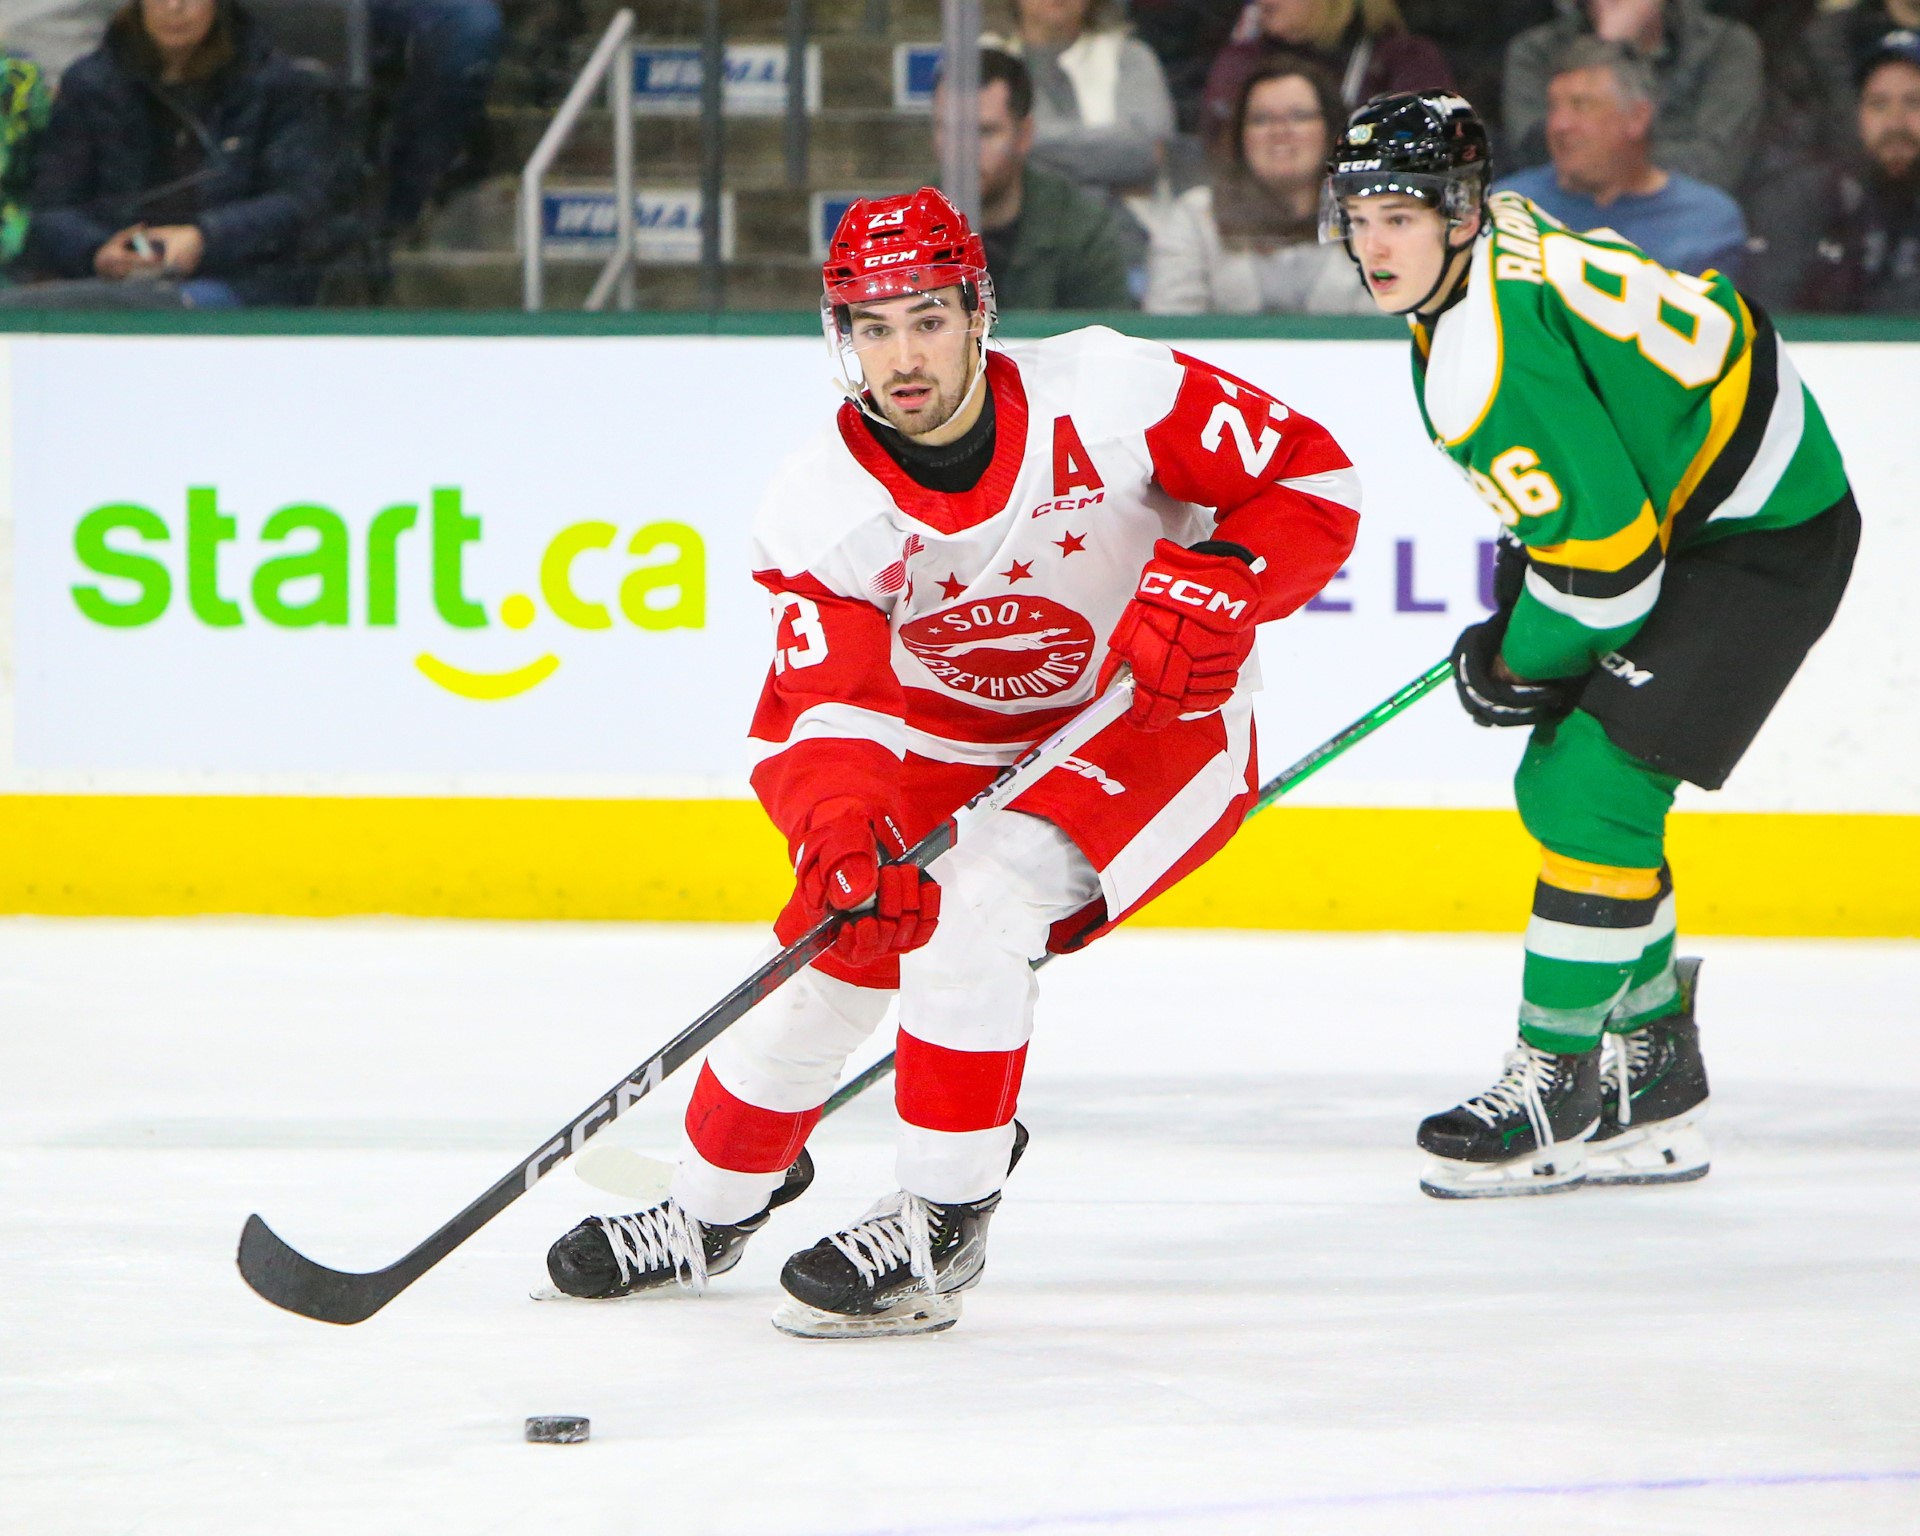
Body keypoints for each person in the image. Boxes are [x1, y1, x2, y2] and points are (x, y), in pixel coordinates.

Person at [542, 186, 1360, 1335]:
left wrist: (1229, 575)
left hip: (1149, 718)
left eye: (926, 317)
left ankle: (942, 1221)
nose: (902, 356)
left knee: (975, 911)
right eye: (872, 328)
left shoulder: (1113, 393)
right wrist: (841, 834)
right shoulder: (818, 506)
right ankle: (709, 1207)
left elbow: (1312, 477)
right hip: (944, 744)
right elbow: (826, 710)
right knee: (830, 952)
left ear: (980, 310)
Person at [1323, 92, 1857, 1199]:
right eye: (1360, 214)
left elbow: (1609, 576)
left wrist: (1518, 657)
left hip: (1760, 535)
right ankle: (1652, 1080)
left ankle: (1558, 1085)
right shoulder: (1504, 237)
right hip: (1707, 489)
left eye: (1402, 217)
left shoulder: (1483, 359)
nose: (1374, 245)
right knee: (1572, 788)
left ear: (1461, 214)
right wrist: (1534, 594)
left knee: (1586, 788)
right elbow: (1592, 466)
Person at [19, 0, 332, 306]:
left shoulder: (275, 85)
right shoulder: (92, 83)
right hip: (111, 282)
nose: (173, 7)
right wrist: (97, 251)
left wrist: (206, 238)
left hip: (239, 282)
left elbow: (303, 201)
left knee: (151, 308)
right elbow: (51, 208)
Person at [1495, 38, 1746, 278]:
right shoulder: (1506, 208)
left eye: (1581, 105)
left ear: (1637, 117)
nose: (1559, 125)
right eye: (1553, 107)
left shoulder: (1703, 219)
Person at [1147, 54, 1372, 311]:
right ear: (1240, 136)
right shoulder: (1197, 216)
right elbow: (1171, 327)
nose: (1280, 131)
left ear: (1331, 130)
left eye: (1298, 116)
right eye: (1261, 119)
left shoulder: (1373, 215)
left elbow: (1390, 327)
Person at [934, 47, 1136, 309]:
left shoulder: (1081, 232)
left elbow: (1109, 342)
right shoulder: (901, 232)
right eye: (949, 129)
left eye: (985, 132)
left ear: (1024, 135)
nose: (963, 151)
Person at [1504, 0, 1763, 192]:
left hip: (1677, 221)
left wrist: (1632, 175)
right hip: (1560, 221)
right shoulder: (1535, 52)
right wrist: (1608, 47)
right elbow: (1538, 158)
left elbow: (1717, 166)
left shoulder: (1726, 47)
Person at [1777, 29, 1920, 313]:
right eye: (1878, 105)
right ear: (1858, 116)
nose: (1896, 123)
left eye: (1914, 103)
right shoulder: (1823, 202)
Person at [1200, 0, 1453, 145]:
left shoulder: (1405, 61)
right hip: (1256, 218)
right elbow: (1218, 152)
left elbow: (1429, 152)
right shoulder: (1241, 61)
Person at [1004, 0, 1176, 207]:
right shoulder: (982, 60)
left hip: (1126, 231)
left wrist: (1023, 144)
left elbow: (1146, 153)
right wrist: (1105, 171)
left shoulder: (1131, 58)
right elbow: (979, 153)